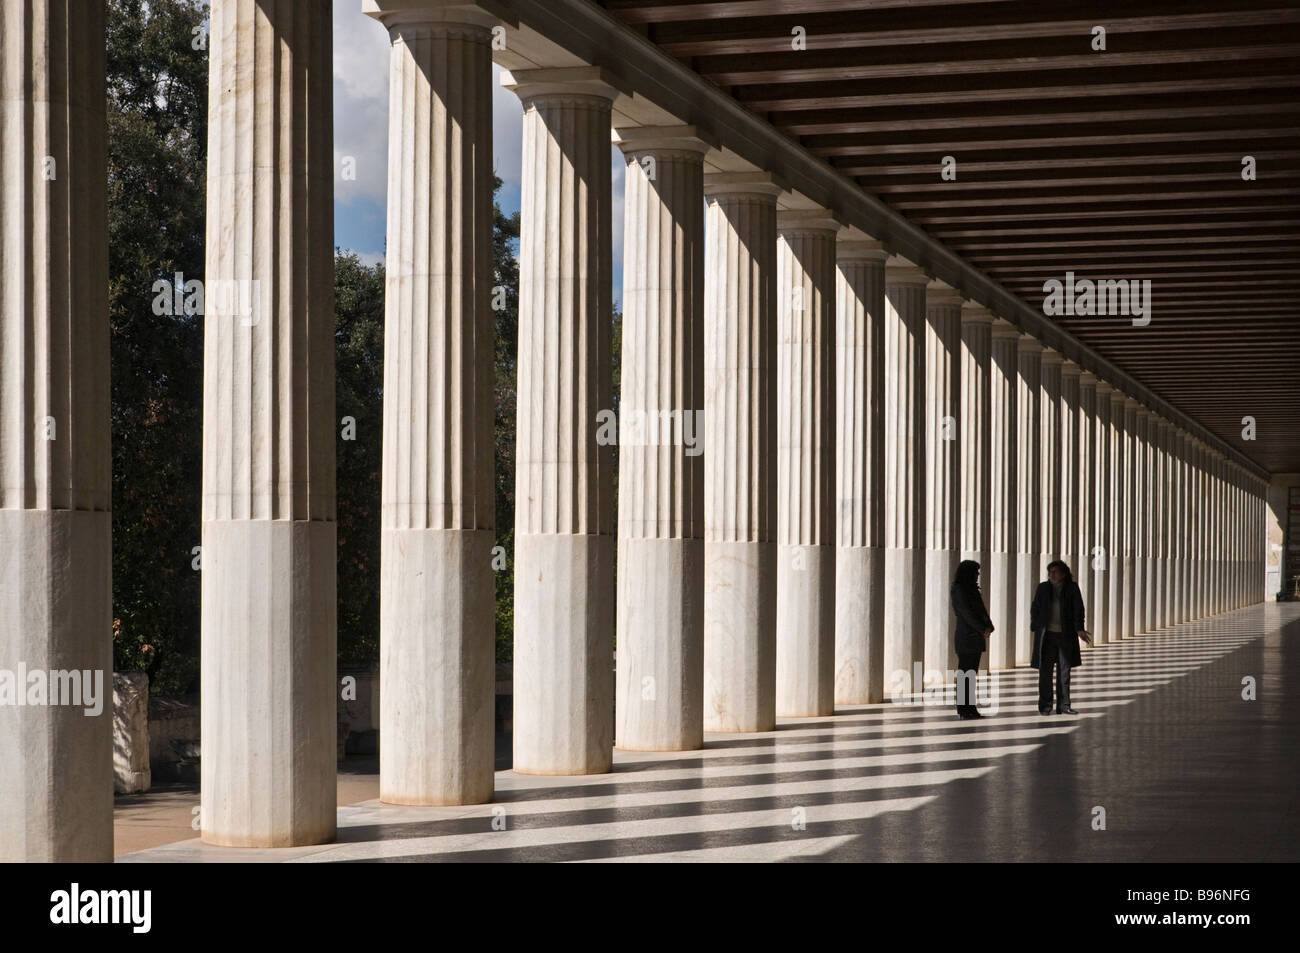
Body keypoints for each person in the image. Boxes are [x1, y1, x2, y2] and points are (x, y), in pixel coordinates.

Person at [1030, 560, 1087, 715]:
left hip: (1065, 635)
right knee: (1045, 673)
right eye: (1050, 572)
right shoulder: (1043, 587)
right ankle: (1045, 706)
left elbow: (1078, 609)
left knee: (1064, 672)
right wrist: (1035, 623)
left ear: (1063, 573)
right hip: (1047, 636)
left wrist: (1079, 628)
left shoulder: (1072, 588)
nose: (1051, 575)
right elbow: (1035, 607)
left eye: (1055, 572)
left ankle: (1064, 705)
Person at [951, 560, 994, 719]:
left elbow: (981, 610)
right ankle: (964, 709)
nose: (978, 575)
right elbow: (966, 613)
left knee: (971, 674)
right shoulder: (959, 590)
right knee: (965, 674)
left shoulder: (971, 589)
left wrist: (989, 625)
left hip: (974, 637)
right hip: (966, 637)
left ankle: (970, 708)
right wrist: (983, 628)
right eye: (976, 572)